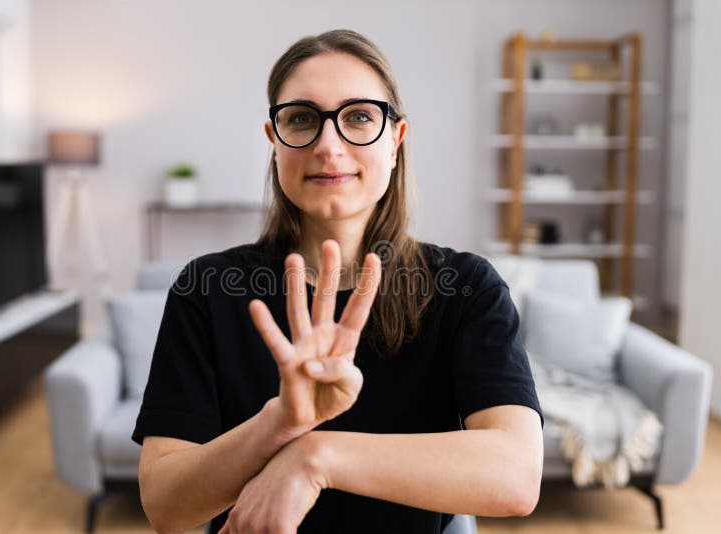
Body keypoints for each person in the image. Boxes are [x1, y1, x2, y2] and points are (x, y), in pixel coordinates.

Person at [132, 29, 544, 534]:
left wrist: (314, 457)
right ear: (274, 142)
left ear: (396, 140)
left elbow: (516, 476)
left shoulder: (465, 287)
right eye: (302, 119)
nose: (329, 146)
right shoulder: (206, 288)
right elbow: (166, 507)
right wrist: (279, 420)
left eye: (359, 117)